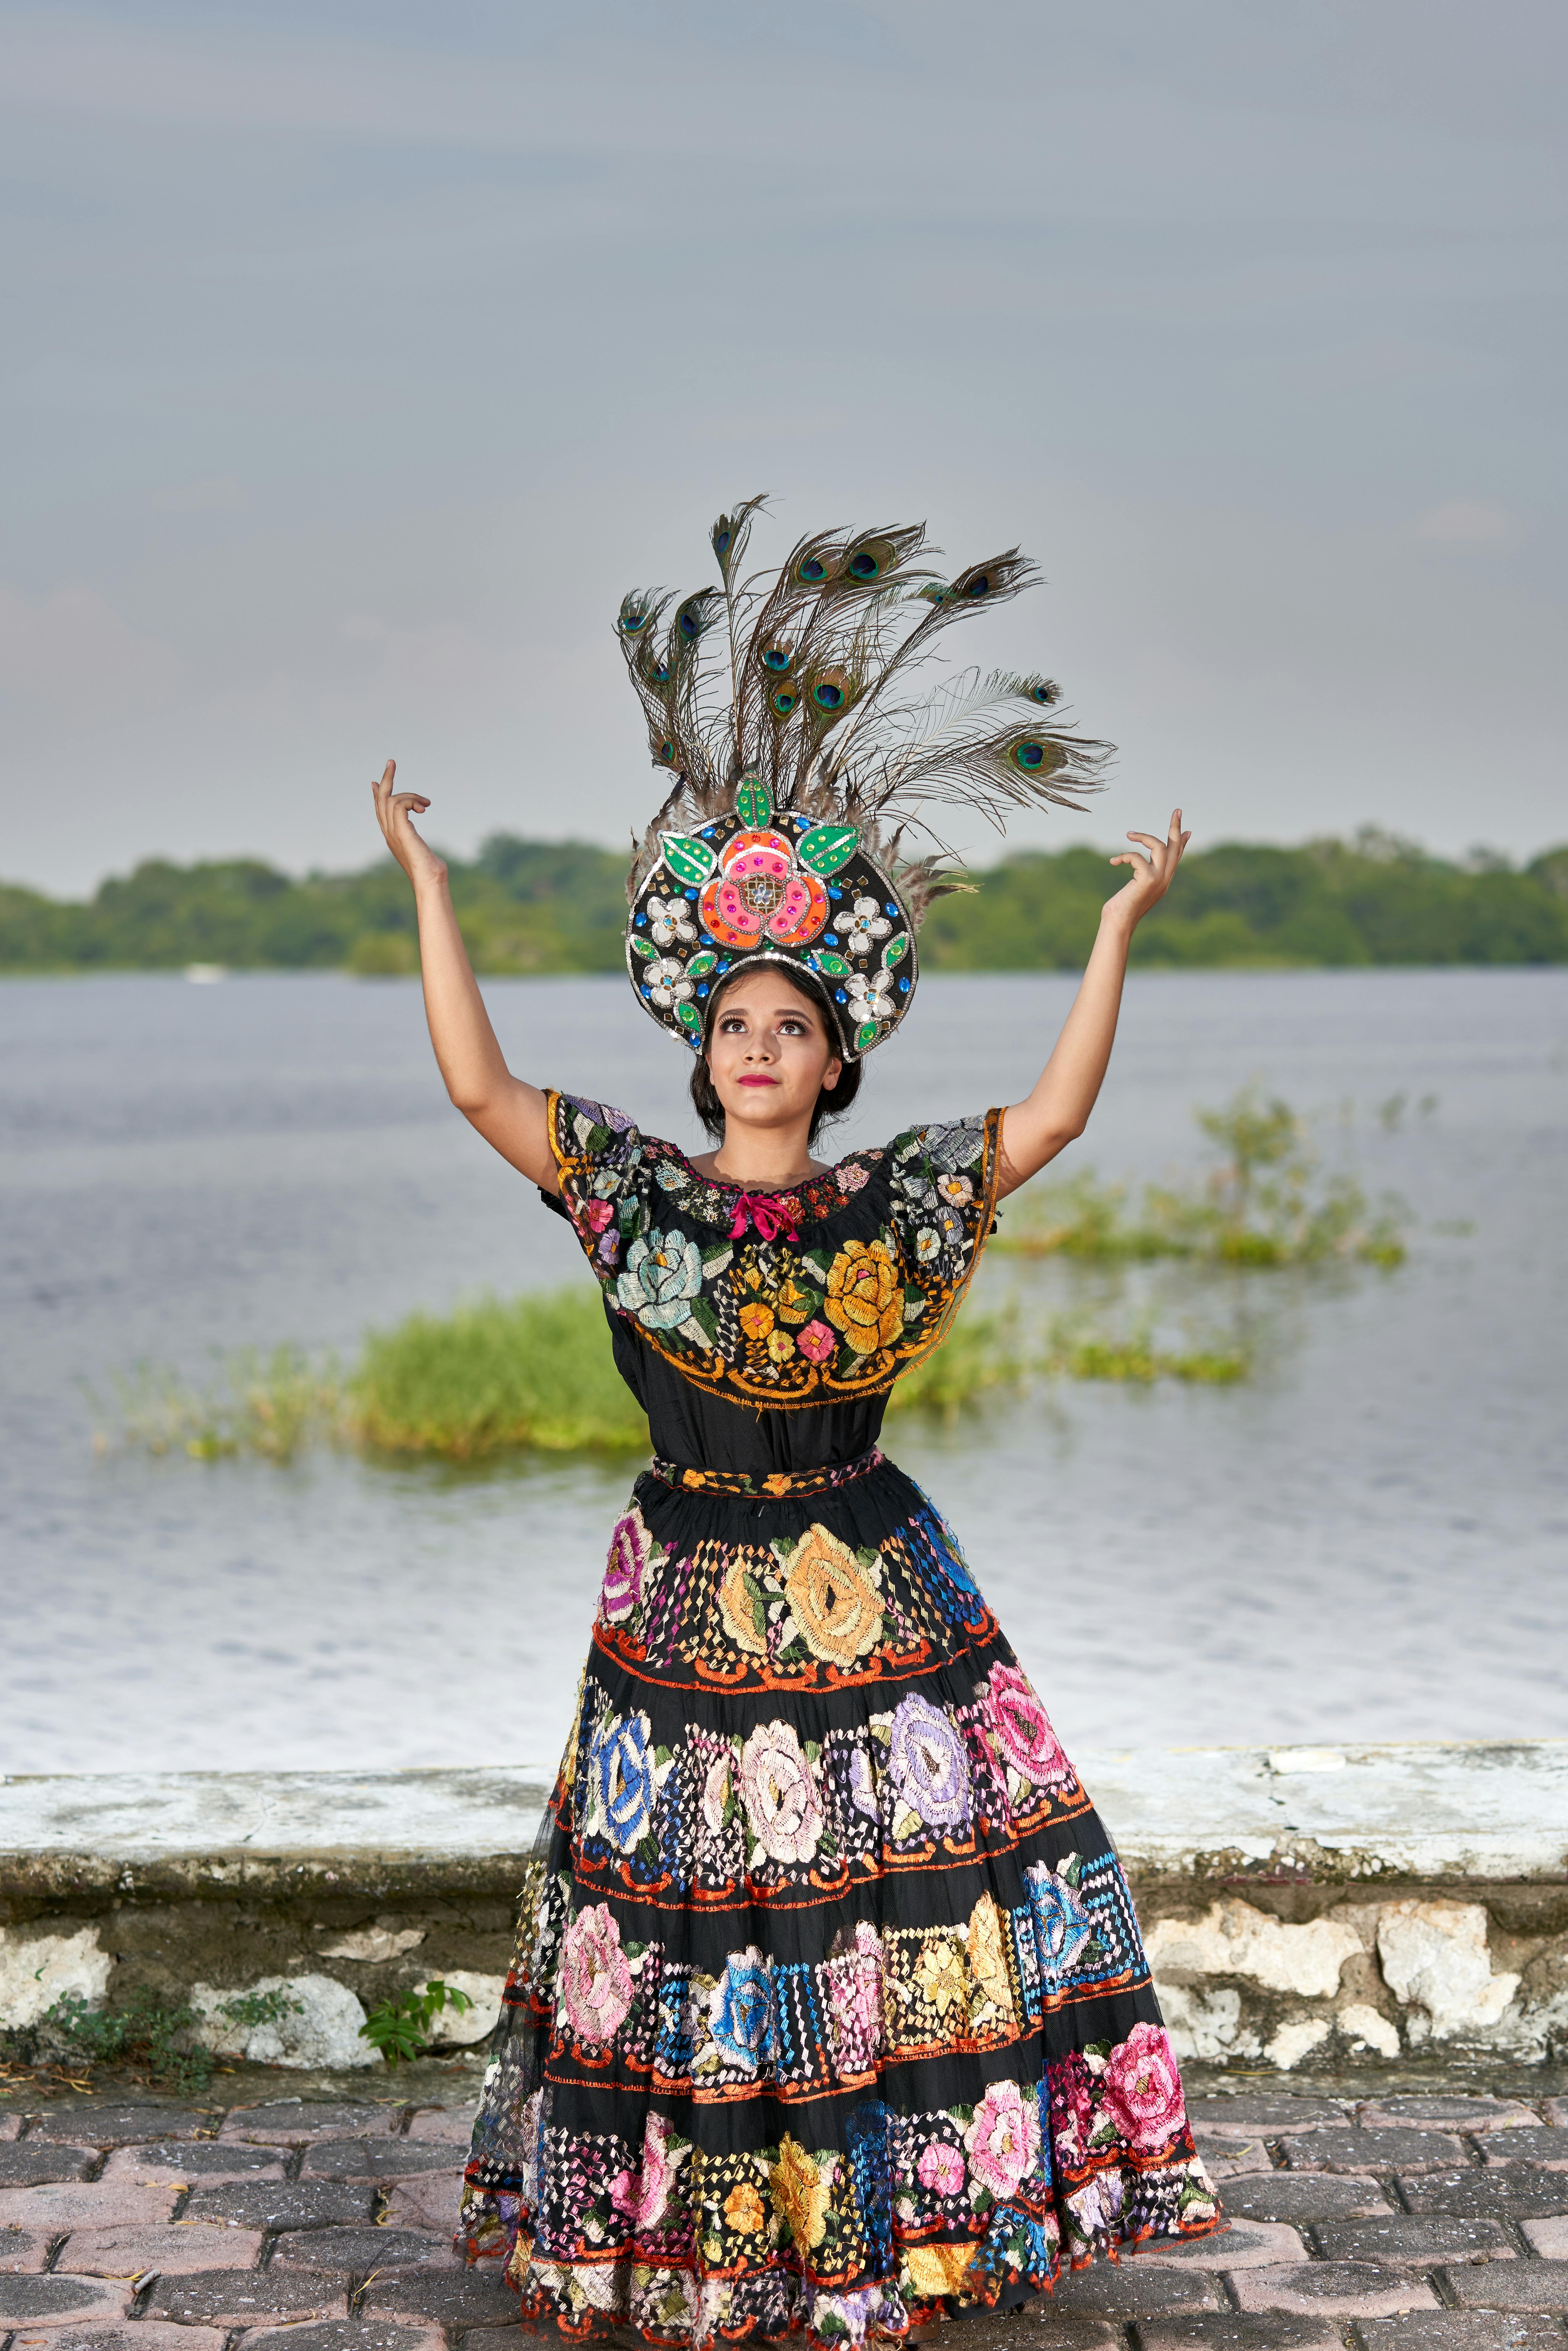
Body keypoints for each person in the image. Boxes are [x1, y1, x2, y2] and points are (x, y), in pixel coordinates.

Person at [370, 504, 1221, 2350]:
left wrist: (1114, 929)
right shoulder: (630, 1193)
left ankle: (899, 2233)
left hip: (866, 1576)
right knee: (686, 1924)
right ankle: (690, 2242)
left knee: (894, 1916)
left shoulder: (895, 1202)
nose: (760, 1044)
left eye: (793, 1024)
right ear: (704, 1040)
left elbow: (1048, 1125)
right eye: (737, 1020)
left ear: (839, 1053)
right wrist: (428, 892)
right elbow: (472, 1082)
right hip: (685, 1586)